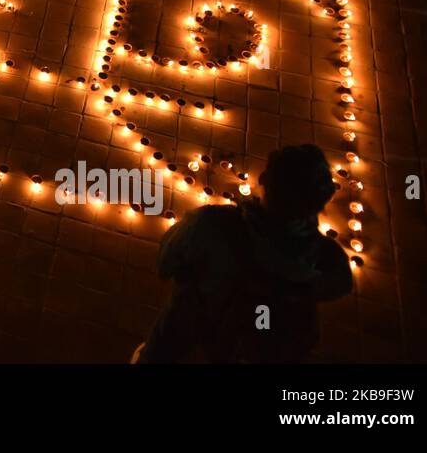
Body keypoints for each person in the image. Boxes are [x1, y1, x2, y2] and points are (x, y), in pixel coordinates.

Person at [135, 144, 353, 363]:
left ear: (264, 179)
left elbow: (166, 262)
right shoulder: (330, 262)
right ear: (322, 200)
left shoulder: (211, 224)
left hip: (185, 338)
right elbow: (337, 287)